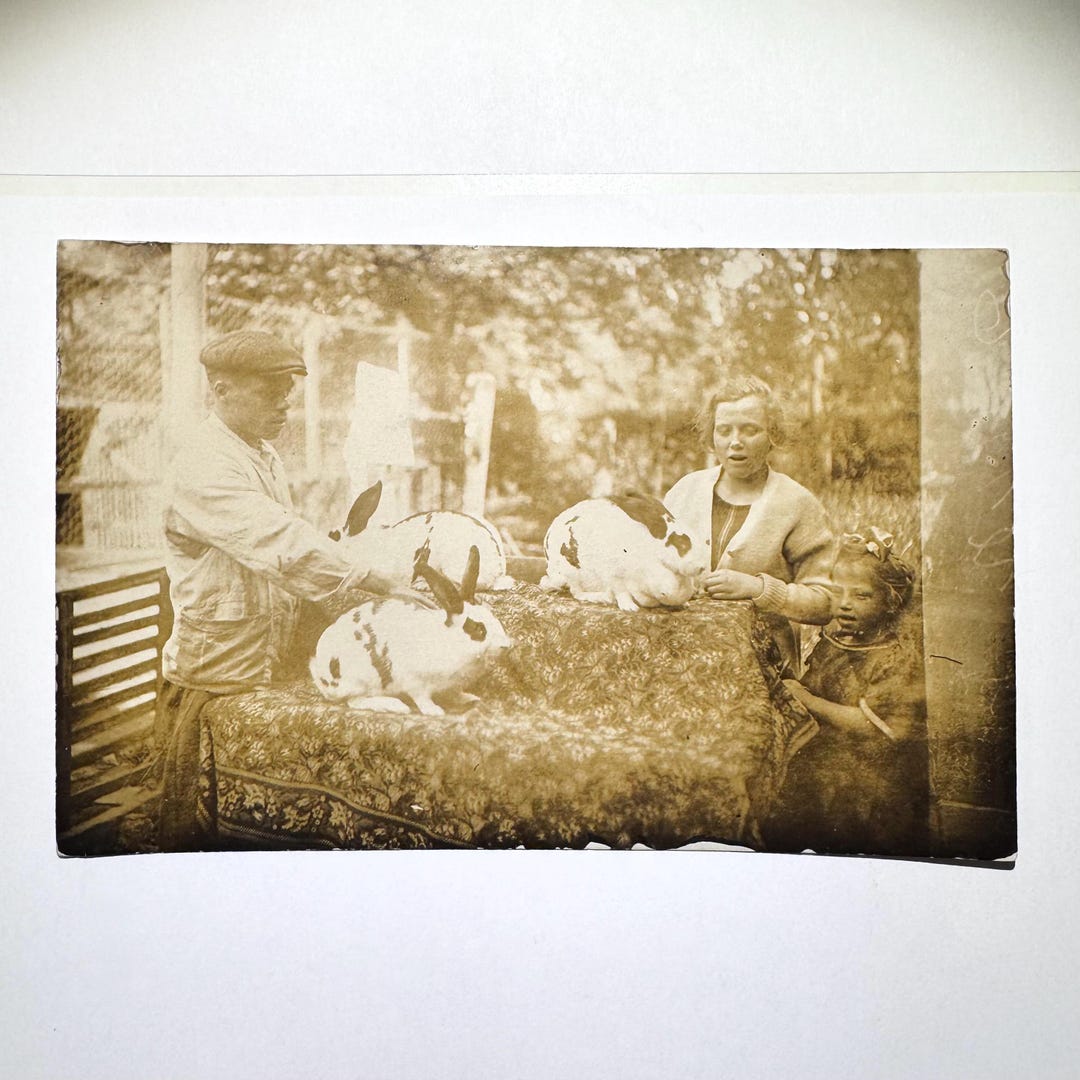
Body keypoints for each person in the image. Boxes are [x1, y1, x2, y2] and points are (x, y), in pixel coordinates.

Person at [156, 329, 382, 848]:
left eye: (287, 393)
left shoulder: (257, 453)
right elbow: (276, 541)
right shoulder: (203, 462)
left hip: (261, 652)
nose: (283, 406)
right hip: (219, 669)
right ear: (221, 389)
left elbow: (287, 547)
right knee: (202, 822)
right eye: (268, 392)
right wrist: (367, 577)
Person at [767, 529, 930, 856]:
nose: (844, 605)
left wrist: (807, 700)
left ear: (890, 601)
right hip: (825, 753)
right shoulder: (837, 637)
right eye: (838, 593)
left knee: (850, 822)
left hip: (870, 771)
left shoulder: (892, 657)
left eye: (861, 596)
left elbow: (871, 726)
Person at [663, 374, 835, 670]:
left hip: (760, 668)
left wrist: (758, 589)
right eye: (724, 430)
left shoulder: (797, 503)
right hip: (681, 661)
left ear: (773, 435)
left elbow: (826, 602)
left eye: (750, 430)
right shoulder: (684, 492)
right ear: (711, 436)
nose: (735, 442)